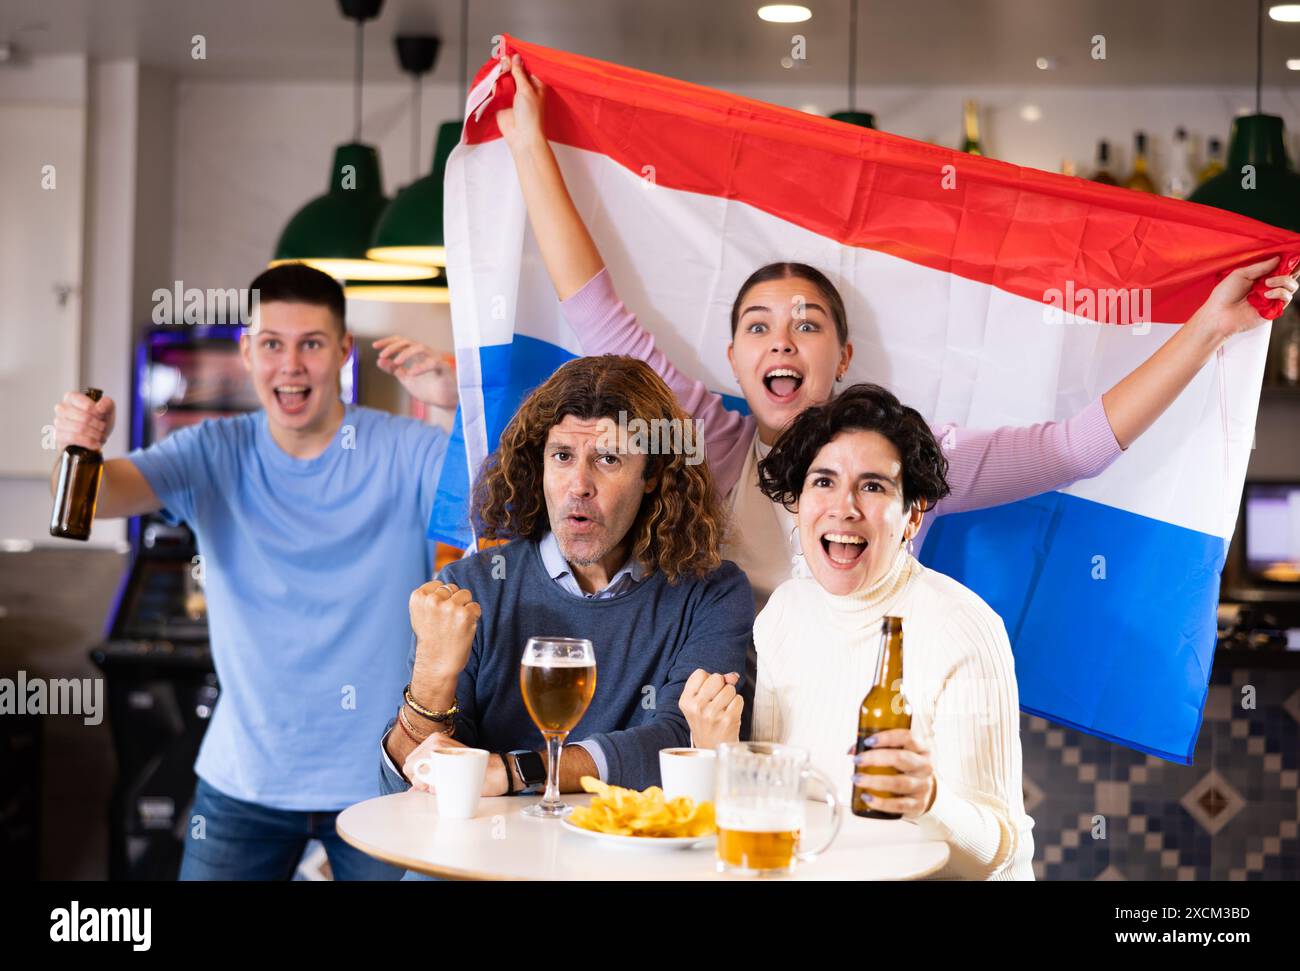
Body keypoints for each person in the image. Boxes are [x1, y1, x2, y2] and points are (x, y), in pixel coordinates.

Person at [484, 52, 1299, 609]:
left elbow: (1075, 446)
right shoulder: (703, 437)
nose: (782, 342)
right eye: (758, 326)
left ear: (842, 357)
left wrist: (1207, 329)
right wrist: (527, 140)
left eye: (807, 326)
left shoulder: (906, 460)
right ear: (732, 357)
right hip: (713, 737)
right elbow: (596, 310)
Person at [51, 263, 452, 881]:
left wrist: (464, 402)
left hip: (383, 780)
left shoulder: (408, 449)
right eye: (272, 344)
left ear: (342, 352)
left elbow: (509, 500)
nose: (290, 365)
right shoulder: (213, 451)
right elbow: (98, 498)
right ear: (247, 352)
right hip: (245, 782)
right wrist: (78, 446)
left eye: (311, 345)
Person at [681, 383, 1034, 880]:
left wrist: (929, 800)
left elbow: (1001, 852)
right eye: (823, 482)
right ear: (798, 503)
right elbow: (781, 810)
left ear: (912, 515)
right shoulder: (784, 612)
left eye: (873, 486)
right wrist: (714, 751)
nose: (843, 507)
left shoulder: (961, 626)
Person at [378, 355, 753, 805]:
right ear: (539, 466)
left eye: (608, 459)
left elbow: (681, 742)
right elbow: (406, 783)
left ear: (652, 474)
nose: (579, 484)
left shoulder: (711, 593)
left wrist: (516, 770)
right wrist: (432, 679)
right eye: (562, 456)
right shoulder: (471, 587)